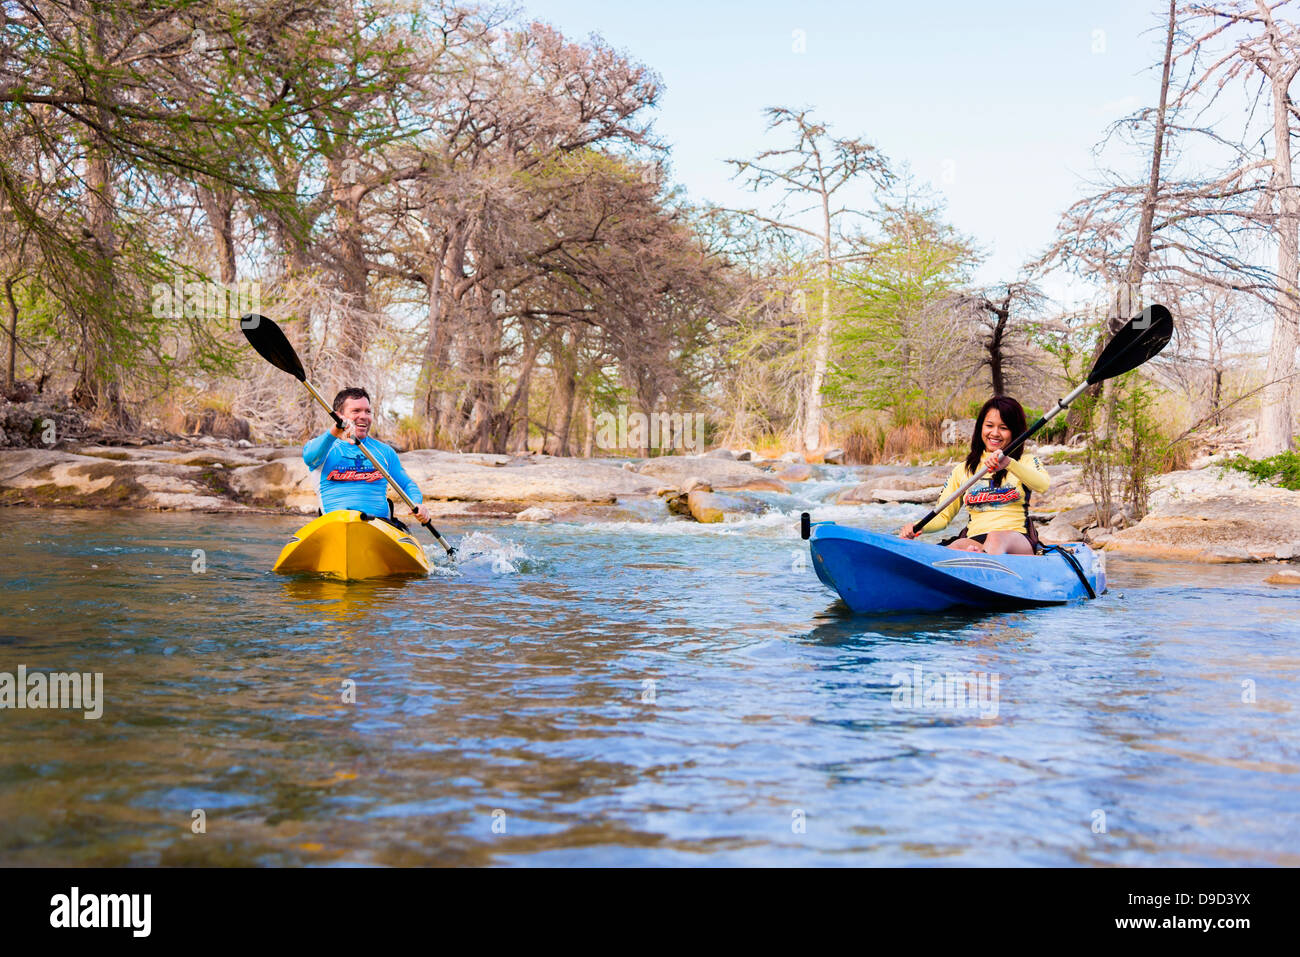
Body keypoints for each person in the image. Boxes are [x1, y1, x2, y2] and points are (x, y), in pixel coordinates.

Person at [897, 396, 1049, 555]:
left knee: (995, 537)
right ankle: (977, 557)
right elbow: (942, 517)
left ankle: (984, 562)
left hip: (1016, 539)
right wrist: (916, 526)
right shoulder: (963, 470)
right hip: (975, 540)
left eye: (1003, 428)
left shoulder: (1025, 461)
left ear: (1014, 432)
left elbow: (1042, 485)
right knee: (958, 544)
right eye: (989, 425)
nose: (995, 433)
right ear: (980, 428)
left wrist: (1009, 464)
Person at [303, 387, 431, 529]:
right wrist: (333, 432)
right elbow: (310, 458)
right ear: (339, 415)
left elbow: (407, 485)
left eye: (368, 411)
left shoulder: (384, 452)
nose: (364, 416)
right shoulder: (323, 447)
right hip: (334, 527)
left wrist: (417, 503)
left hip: (380, 529)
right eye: (356, 411)